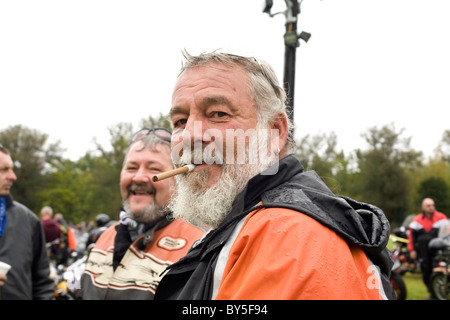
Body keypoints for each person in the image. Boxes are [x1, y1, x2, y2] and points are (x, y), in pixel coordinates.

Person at [154, 51, 396, 300]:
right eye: (180, 121)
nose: (190, 136)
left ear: (274, 132)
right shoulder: (249, 224)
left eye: (218, 114)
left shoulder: (290, 236)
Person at [81, 128, 205, 300]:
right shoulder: (105, 237)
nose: (139, 178)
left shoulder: (198, 248)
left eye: (154, 168)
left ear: (179, 180)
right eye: (132, 168)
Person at [0, 144, 54, 299]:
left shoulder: (27, 219)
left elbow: (43, 281)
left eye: (11, 168)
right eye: (4, 170)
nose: (13, 176)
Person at [408, 197, 448, 297]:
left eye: (433, 205)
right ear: (423, 207)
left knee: (437, 270)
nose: (431, 207)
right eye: (428, 206)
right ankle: (432, 292)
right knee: (426, 272)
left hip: (438, 250)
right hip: (422, 250)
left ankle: (439, 292)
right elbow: (411, 236)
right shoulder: (416, 220)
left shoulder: (442, 218)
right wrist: (412, 250)